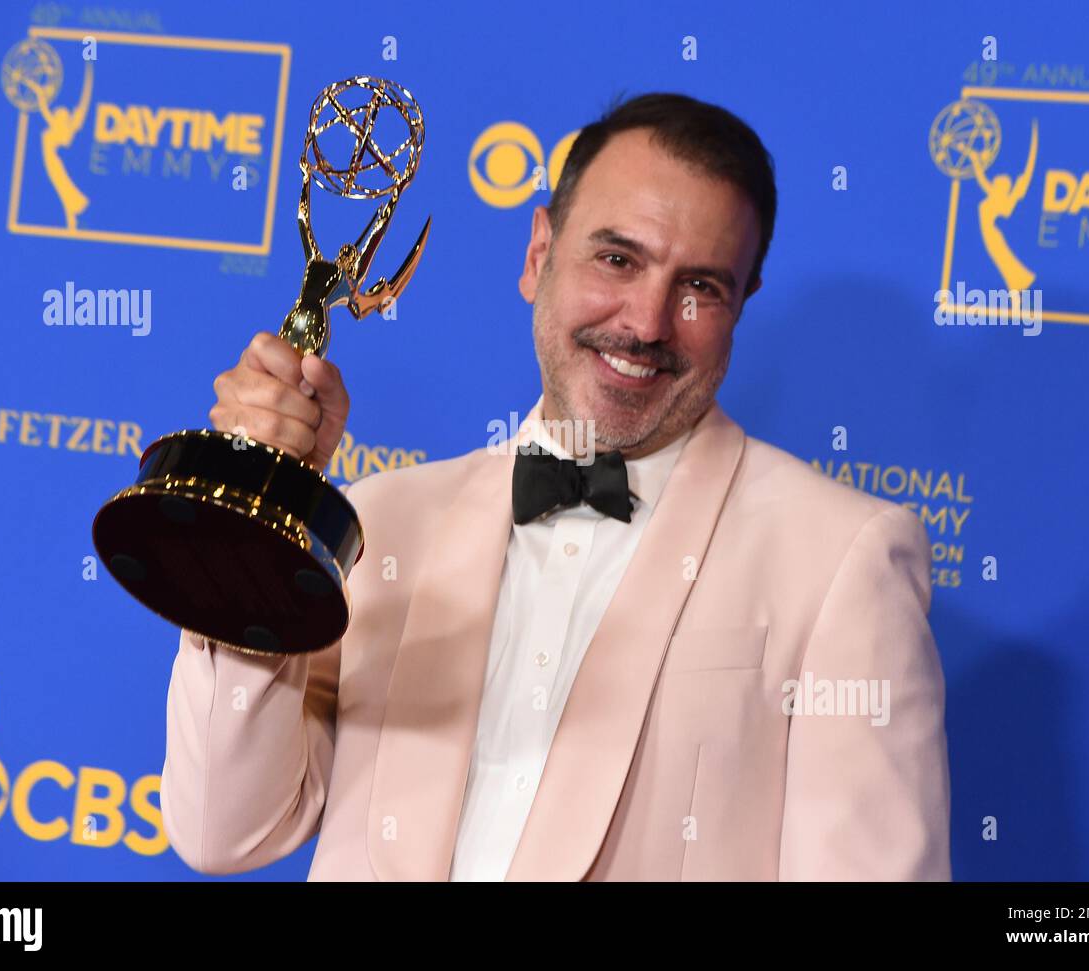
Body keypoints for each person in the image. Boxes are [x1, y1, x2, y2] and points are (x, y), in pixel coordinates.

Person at [161, 92, 951, 881]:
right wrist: (257, 514)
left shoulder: (842, 558)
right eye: (618, 259)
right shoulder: (380, 525)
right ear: (539, 255)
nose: (646, 322)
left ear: (741, 305)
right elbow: (225, 830)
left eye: (700, 288)